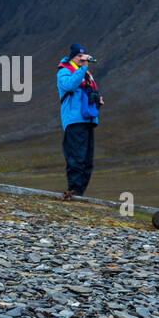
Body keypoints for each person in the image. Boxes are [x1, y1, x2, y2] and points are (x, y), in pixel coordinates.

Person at [56, 43, 102, 200]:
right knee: (76, 157)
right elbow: (69, 85)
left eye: (83, 56)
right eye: (79, 57)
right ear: (72, 57)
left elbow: (89, 91)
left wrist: (97, 99)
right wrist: (82, 68)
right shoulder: (64, 71)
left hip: (88, 119)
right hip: (74, 120)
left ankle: (79, 194)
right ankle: (73, 191)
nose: (82, 59)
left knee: (87, 160)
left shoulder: (86, 74)